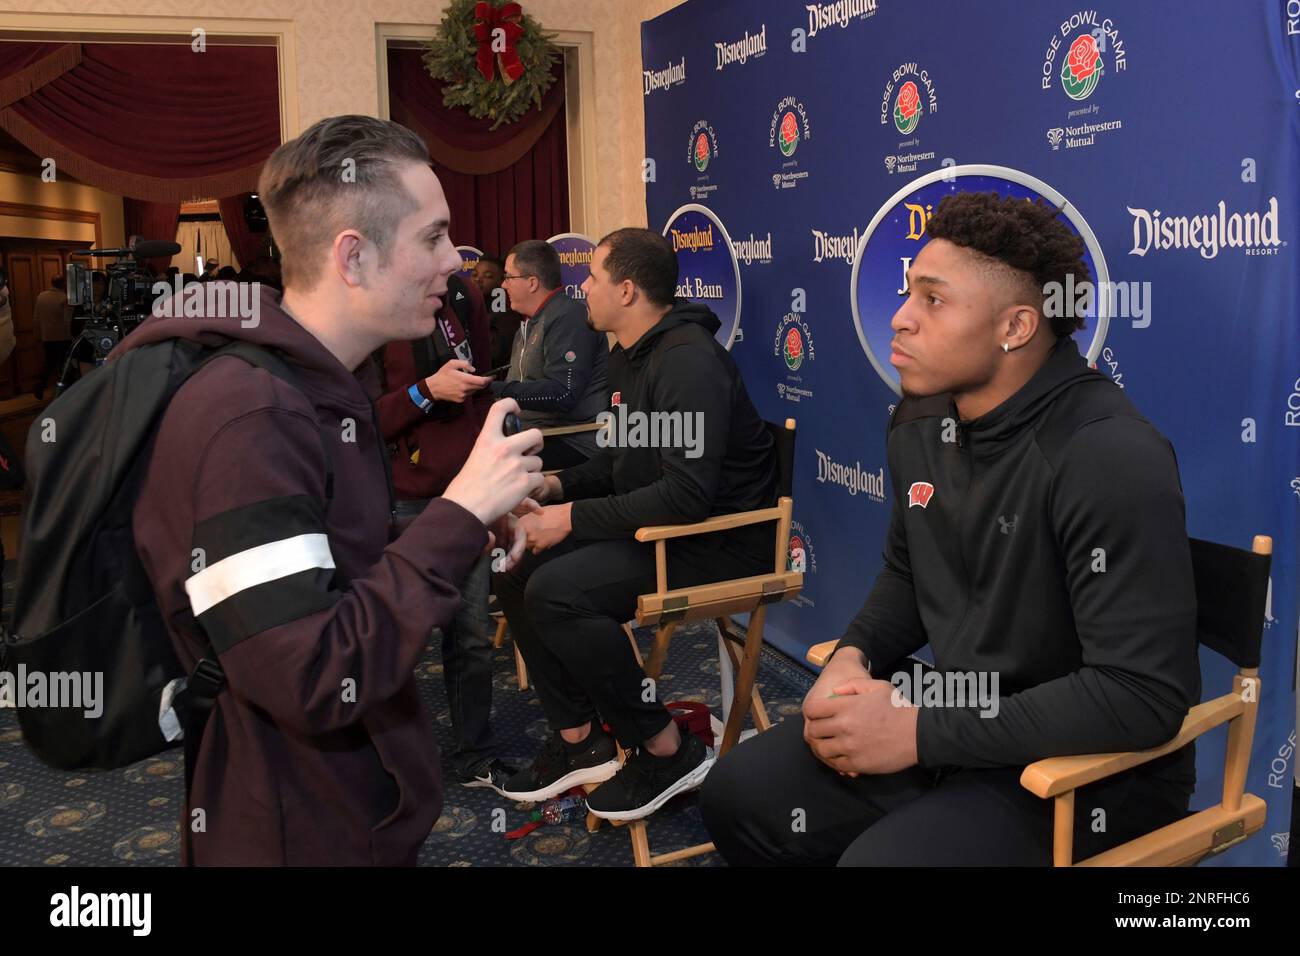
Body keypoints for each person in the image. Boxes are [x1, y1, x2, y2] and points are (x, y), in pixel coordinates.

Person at [700, 192, 1200, 866]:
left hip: (1096, 771)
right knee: (739, 791)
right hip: (958, 716)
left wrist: (918, 731)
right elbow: (910, 572)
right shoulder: (919, 421)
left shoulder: (1109, 454)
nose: (899, 319)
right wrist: (855, 654)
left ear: (1016, 327)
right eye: (908, 293)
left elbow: (1141, 695)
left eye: (932, 300)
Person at [126, 114, 543, 866]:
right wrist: (454, 514)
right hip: (297, 825)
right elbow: (313, 678)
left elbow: (336, 569)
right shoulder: (251, 416)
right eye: (433, 237)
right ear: (353, 257)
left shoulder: (312, 389)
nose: (456, 262)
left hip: (343, 804)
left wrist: (474, 520)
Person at [495, 227, 778, 822]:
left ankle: (666, 748)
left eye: (593, 278)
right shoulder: (630, 354)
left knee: (558, 593)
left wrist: (570, 518)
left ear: (626, 291)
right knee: (517, 566)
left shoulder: (687, 363)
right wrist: (556, 485)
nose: (583, 288)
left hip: (716, 541)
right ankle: (580, 740)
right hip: (665, 529)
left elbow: (684, 496)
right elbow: (625, 456)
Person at [376, 271, 517, 793]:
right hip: (404, 501)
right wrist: (425, 391)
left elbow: (478, 398)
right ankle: (388, 763)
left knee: (473, 637)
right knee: (395, 640)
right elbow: (357, 422)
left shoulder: (460, 294)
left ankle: (473, 753)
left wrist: (496, 490)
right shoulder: (367, 312)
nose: (443, 256)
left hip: (469, 494)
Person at [493, 240, 607, 469]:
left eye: (508, 277)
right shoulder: (530, 321)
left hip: (573, 440)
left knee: (489, 467)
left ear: (532, 282)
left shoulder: (569, 317)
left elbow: (562, 393)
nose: (503, 285)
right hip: (538, 435)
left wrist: (494, 391)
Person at [472, 254, 521, 370]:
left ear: (502, 281)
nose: (478, 279)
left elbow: (492, 358)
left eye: (488, 276)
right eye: (474, 274)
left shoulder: (508, 318)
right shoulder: (468, 313)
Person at [33, 275, 74, 400]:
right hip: (63, 337)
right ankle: (63, 391)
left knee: (49, 363)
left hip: (47, 337)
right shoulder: (64, 298)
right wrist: (73, 336)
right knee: (64, 365)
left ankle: (40, 385)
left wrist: (38, 335)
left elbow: (36, 318)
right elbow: (68, 320)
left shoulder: (41, 296)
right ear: (63, 284)